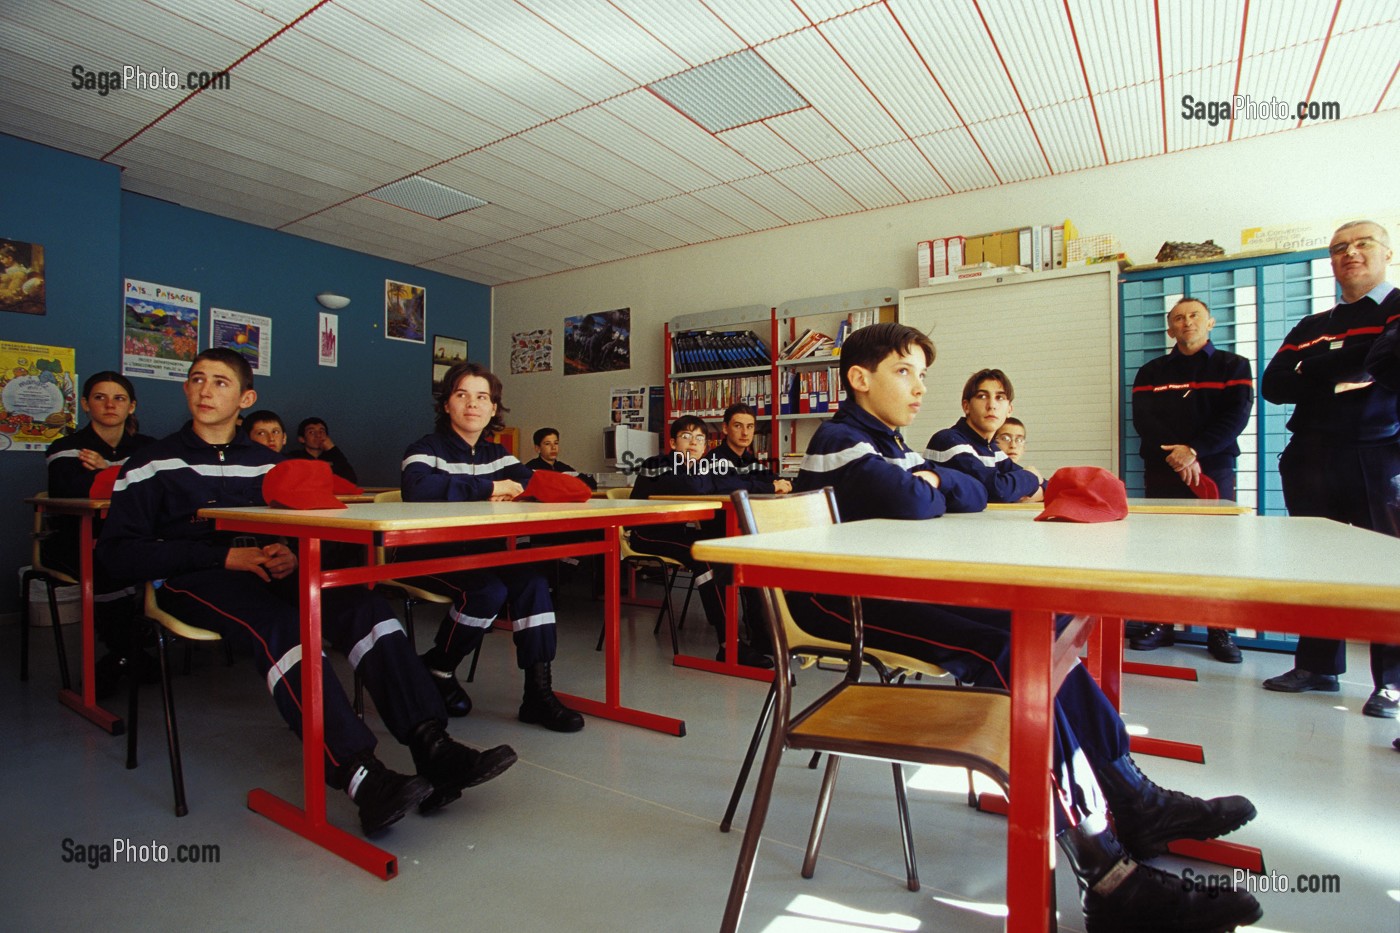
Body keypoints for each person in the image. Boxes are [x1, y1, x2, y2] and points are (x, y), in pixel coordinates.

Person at [791, 322, 1261, 933]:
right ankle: (1108, 875)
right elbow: (918, 500)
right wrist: (931, 485)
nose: (918, 389)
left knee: (1045, 631)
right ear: (860, 379)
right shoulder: (840, 438)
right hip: (839, 603)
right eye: (904, 373)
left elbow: (966, 492)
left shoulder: (891, 442)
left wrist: (931, 481)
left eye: (923, 376)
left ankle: (1132, 796)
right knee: (1010, 652)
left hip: (886, 587)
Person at [95, 348, 517, 836]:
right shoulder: (151, 462)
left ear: (245, 397)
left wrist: (292, 552)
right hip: (194, 578)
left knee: (366, 606)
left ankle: (432, 746)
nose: (206, 390)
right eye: (197, 380)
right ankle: (361, 776)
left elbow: (301, 525)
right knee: (284, 626)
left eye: (220, 382)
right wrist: (221, 557)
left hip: (272, 569)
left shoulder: (270, 463)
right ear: (186, 390)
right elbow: (117, 555)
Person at [1261, 220, 1400, 718]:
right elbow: (1274, 384)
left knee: (1388, 568)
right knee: (1315, 568)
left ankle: (1392, 682)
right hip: (1311, 456)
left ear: (1386, 253)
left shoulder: (1397, 308)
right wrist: (1346, 371)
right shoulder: (1311, 326)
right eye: (1340, 247)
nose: (1351, 253)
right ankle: (1317, 665)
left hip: (1378, 453)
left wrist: (1314, 372)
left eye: (1363, 244)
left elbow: (1386, 361)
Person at [400, 361, 584, 733]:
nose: (473, 404)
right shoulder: (425, 449)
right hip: (426, 553)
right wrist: (490, 488)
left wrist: (521, 490)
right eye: (462, 395)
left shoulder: (498, 455)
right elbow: (417, 488)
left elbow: (550, 487)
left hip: (482, 553)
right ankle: (438, 667)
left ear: (493, 408)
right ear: (446, 404)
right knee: (488, 590)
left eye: (482, 397)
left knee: (533, 583)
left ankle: (538, 695)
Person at [1129, 298, 1254, 663]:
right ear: (1170, 329)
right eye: (1178, 319)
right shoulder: (1151, 372)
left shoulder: (1234, 366)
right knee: (1162, 548)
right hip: (1162, 468)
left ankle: (1220, 629)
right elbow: (1144, 420)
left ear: (1210, 322)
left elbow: (1237, 416)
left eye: (1194, 316)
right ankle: (1160, 623)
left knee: (1218, 551)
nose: (1187, 323)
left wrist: (1195, 450)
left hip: (1213, 467)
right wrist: (1176, 454)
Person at [44, 371, 156, 696]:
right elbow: (73, 491)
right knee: (107, 564)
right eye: (100, 397)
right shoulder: (65, 448)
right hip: (73, 541)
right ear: (84, 404)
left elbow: (161, 491)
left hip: (132, 537)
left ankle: (125, 652)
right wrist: (126, 477)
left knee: (168, 554)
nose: (110, 405)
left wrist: (107, 472)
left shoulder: (148, 448)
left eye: (119, 398)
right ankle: (128, 651)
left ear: (131, 406)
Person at [630, 414, 770, 667]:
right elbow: (697, 487)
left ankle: (755, 631)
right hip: (645, 533)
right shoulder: (657, 463)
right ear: (673, 443)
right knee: (704, 558)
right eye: (686, 437)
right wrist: (710, 477)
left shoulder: (698, 467)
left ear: (706, 446)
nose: (693, 443)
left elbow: (720, 484)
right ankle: (729, 645)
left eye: (699, 439)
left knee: (721, 550)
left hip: (675, 533)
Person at [924, 368, 1043, 503]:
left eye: (1000, 397)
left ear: (1009, 410)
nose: (992, 405)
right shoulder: (948, 440)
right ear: (966, 406)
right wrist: (1031, 477)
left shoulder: (993, 450)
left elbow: (1047, 486)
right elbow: (996, 491)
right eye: (982, 396)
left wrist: (1025, 488)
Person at [703, 402, 791, 495]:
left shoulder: (749, 460)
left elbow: (776, 480)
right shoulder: (715, 459)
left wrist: (787, 485)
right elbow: (731, 488)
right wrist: (773, 487)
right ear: (725, 428)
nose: (745, 432)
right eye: (738, 426)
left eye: (750, 426)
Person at [290, 416, 359, 484]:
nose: (318, 435)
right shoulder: (294, 458)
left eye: (321, 431)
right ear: (301, 439)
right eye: (311, 432)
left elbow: (351, 481)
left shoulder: (334, 457)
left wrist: (332, 448)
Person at [525, 426, 597, 490]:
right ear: (538, 448)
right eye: (547, 444)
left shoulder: (564, 468)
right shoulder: (531, 469)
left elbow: (591, 484)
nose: (553, 448)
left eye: (556, 443)